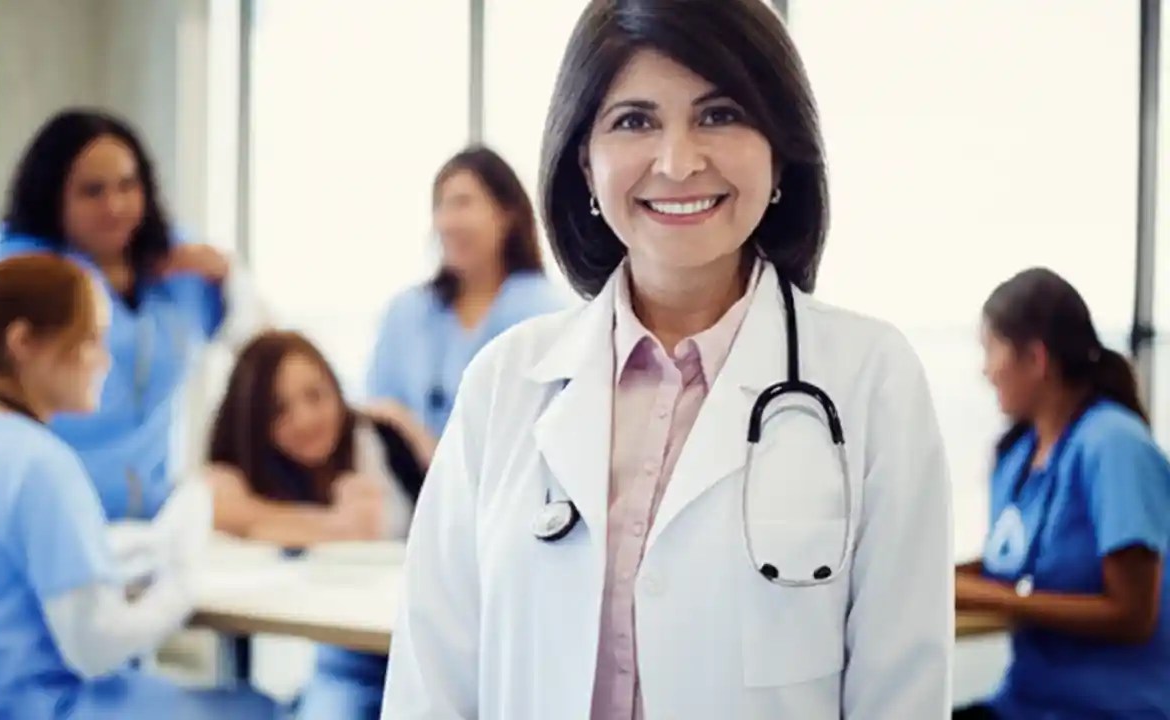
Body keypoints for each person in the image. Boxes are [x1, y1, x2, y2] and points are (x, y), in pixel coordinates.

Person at [381, 1, 952, 718]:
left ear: (782, 149)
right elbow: (430, 684)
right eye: (634, 120)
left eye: (719, 115)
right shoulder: (504, 383)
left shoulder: (872, 378)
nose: (679, 161)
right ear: (583, 161)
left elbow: (901, 694)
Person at [0, 255, 278, 720]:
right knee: (260, 708)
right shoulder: (37, 464)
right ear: (23, 343)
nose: (105, 360)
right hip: (46, 709)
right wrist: (182, 584)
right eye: (92, 339)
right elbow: (96, 647)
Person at [0, 109, 267, 521]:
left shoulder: (180, 262)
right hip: (41, 515)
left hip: (144, 524)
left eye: (127, 185)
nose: (114, 206)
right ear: (53, 196)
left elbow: (262, 352)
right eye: (92, 191)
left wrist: (230, 275)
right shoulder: (16, 267)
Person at [953, 268, 1170, 719]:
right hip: (1024, 704)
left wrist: (977, 596)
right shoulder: (1018, 454)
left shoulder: (1114, 445)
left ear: (1035, 358)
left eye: (990, 349)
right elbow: (1003, 566)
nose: (985, 369)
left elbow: (1133, 615)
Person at [204, 330, 430, 720]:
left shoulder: (387, 432)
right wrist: (336, 525)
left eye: (315, 395)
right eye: (278, 411)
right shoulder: (245, 471)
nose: (304, 419)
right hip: (343, 657)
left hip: (422, 645)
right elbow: (217, 504)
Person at [365, 145, 570, 441]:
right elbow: (378, 410)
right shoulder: (407, 312)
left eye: (462, 203)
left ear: (507, 214)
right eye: (440, 206)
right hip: (410, 483)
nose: (447, 223)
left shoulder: (546, 313)